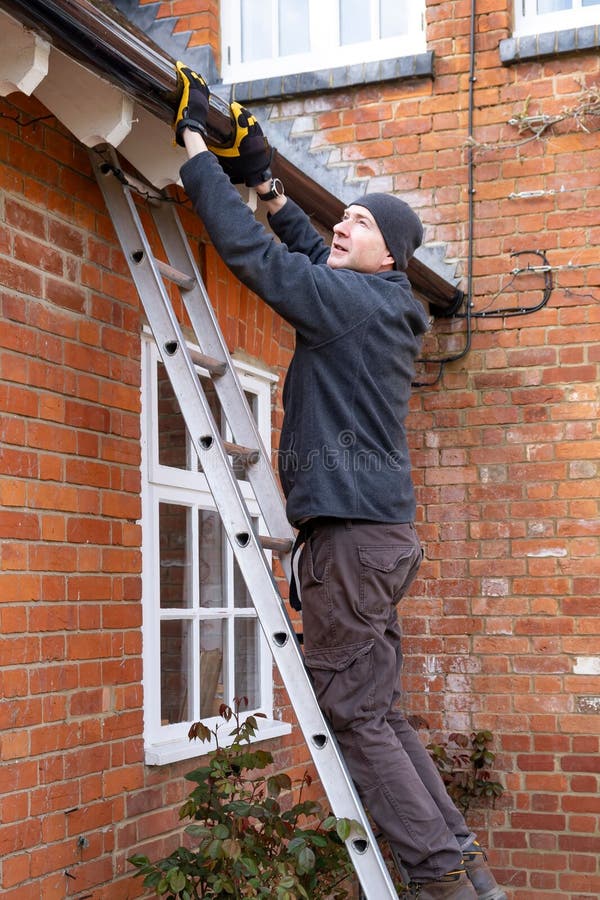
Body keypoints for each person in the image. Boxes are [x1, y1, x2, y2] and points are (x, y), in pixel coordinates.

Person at [171, 63, 507, 900]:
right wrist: (269, 183)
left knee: (353, 715)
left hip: (352, 545)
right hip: (380, 538)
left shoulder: (347, 302)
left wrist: (194, 152)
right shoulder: (386, 303)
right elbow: (308, 250)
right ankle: (460, 863)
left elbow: (257, 259)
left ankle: (439, 879)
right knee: (379, 709)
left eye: (357, 222)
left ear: (389, 251)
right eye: (343, 218)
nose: (342, 227)